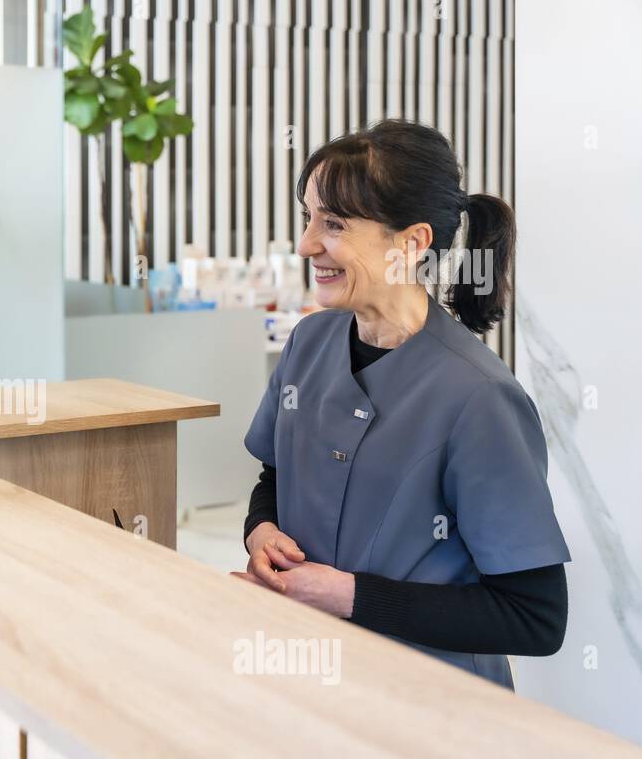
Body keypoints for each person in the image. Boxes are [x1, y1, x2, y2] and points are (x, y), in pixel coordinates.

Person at [237, 119, 570, 688]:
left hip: (432, 710)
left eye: (334, 223)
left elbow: (535, 617)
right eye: (308, 218)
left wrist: (347, 595)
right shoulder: (307, 345)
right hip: (310, 677)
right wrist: (260, 530)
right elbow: (275, 474)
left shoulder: (479, 398)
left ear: (411, 243)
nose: (306, 243)